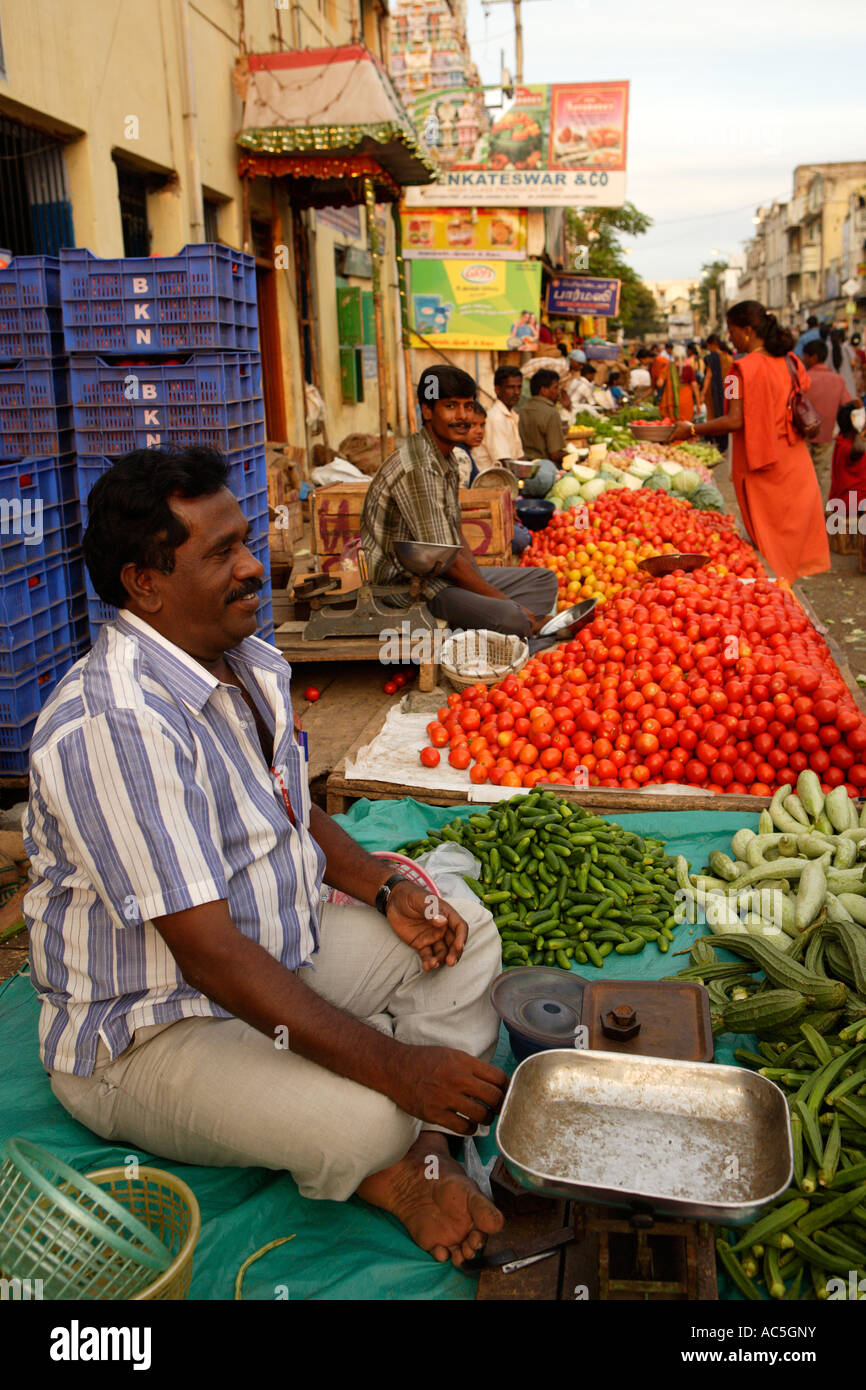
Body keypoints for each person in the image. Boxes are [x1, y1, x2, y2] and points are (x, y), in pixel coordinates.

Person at [26, 445, 510, 1270]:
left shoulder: (246, 659)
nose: (256, 568)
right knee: (369, 1118)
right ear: (144, 582)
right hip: (153, 1030)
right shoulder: (116, 724)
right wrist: (397, 1066)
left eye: (246, 541)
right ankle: (388, 1163)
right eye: (221, 554)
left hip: (280, 953)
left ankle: (428, 1153)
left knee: (462, 927)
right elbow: (210, 956)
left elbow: (288, 804)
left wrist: (384, 883)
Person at [362, 366, 558, 647]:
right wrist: (504, 602)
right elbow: (446, 563)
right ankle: (505, 631)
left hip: (440, 574)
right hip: (408, 586)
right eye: (450, 406)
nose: (463, 417)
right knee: (512, 618)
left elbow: (455, 535)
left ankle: (499, 626)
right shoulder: (419, 467)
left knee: (543, 581)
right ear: (427, 411)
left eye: (467, 406)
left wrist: (480, 583)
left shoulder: (446, 457)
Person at [670, 300, 830, 584]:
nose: (729, 337)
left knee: (769, 544)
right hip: (796, 463)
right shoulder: (791, 361)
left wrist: (691, 429)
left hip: (764, 468)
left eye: (731, 331)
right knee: (790, 544)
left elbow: (734, 420)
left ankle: (782, 594)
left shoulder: (739, 369)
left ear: (747, 330)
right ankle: (787, 592)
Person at [802, 339, 853, 495]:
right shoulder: (837, 380)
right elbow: (848, 404)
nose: (804, 360)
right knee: (823, 475)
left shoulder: (803, 379)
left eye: (806, 356)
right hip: (826, 435)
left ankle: (806, 510)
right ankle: (821, 511)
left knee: (804, 475)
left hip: (803, 434)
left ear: (814, 357)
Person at [473, 366, 525, 471]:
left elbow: (520, 457)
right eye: (511, 387)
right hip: (493, 480)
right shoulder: (496, 418)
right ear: (497, 390)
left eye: (519, 387)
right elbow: (504, 462)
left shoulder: (512, 416)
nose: (516, 392)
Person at [518, 368, 567, 463]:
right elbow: (555, 454)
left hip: (524, 465)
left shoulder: (521, 410)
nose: (558, 392)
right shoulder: (551, 413)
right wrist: (575, 456)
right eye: (555, 388)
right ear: (543, 390)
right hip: (544, 467)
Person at [828, 400, 866, 522]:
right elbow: (859, 448)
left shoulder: (841, 439)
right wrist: (859, 430)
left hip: (846, 503)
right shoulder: (849, 448)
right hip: (853, 506)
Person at [700, 334, 734, 452]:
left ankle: (717, 443)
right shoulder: (729, 357)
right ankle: (724, 445)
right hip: (727, 392)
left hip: (714, 394)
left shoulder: (712, 358)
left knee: (713, 416)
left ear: (713, 344)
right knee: (725, 415)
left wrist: (703, 393)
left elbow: (708, 376)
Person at [451, 401, 487, 486]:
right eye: (473, 425)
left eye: (482, 425)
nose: (479, 431)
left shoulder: (467, 451)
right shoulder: (460, 455)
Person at [830, 328, 859, 398]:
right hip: (847, 385)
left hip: (833, 386)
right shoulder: (846, 348)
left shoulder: (828, 348)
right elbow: (853, 362)